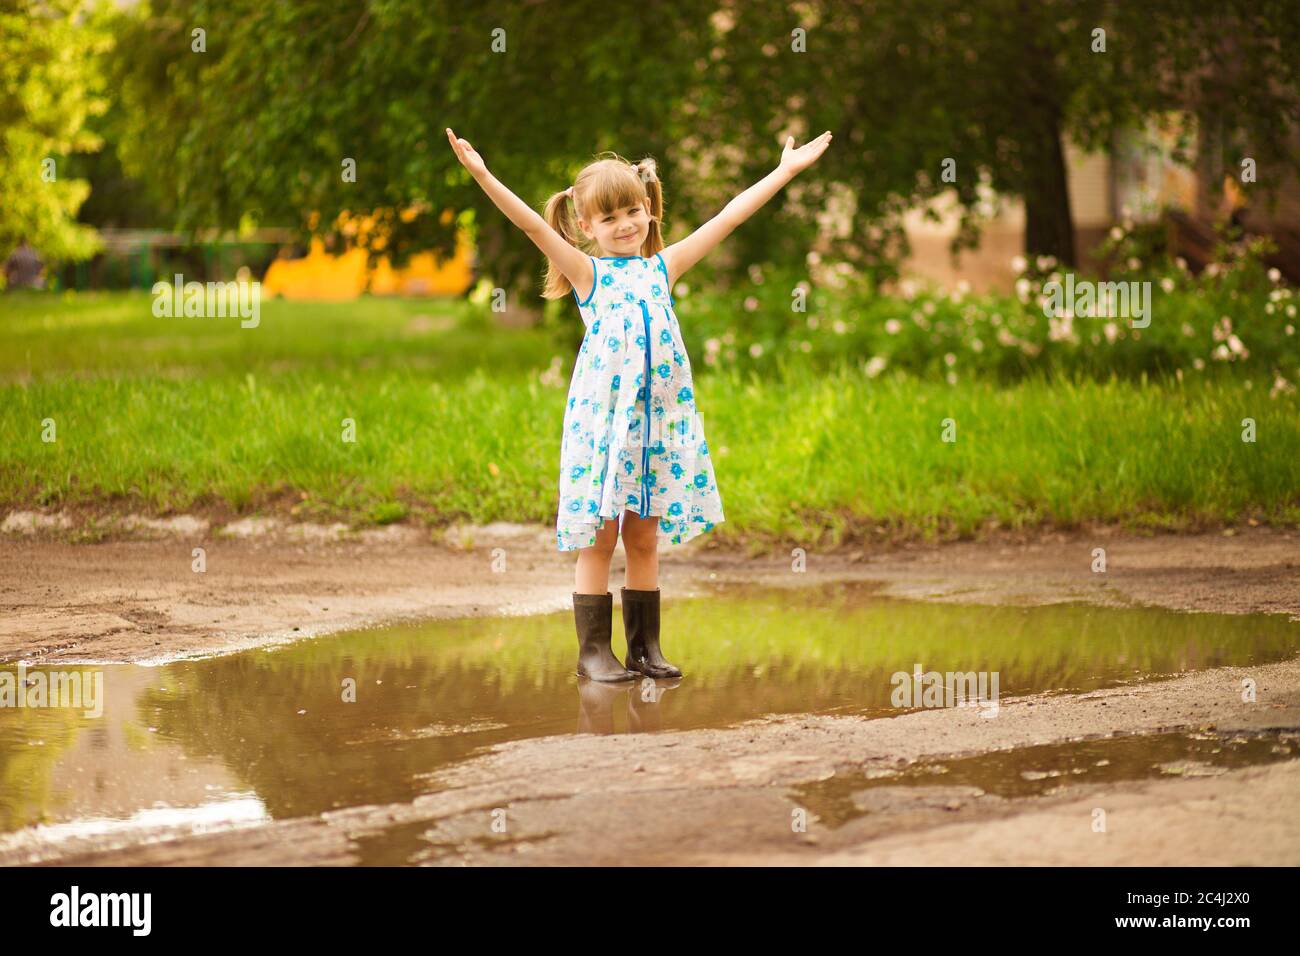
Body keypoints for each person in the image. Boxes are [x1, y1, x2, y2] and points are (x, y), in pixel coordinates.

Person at [446, 126, 833, 682]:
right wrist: (483, 175)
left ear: (648, 210)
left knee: (645, 536)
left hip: (660, 428)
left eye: (632, 211)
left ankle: (645, 647)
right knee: (602, 537)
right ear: (586, 227)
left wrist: (785, 171)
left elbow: (728, 216)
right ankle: (593, 653)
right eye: (609, 219)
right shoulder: (589, 275)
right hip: (606, 430)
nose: (624, 225)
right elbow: (530, 224)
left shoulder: (662, 268)